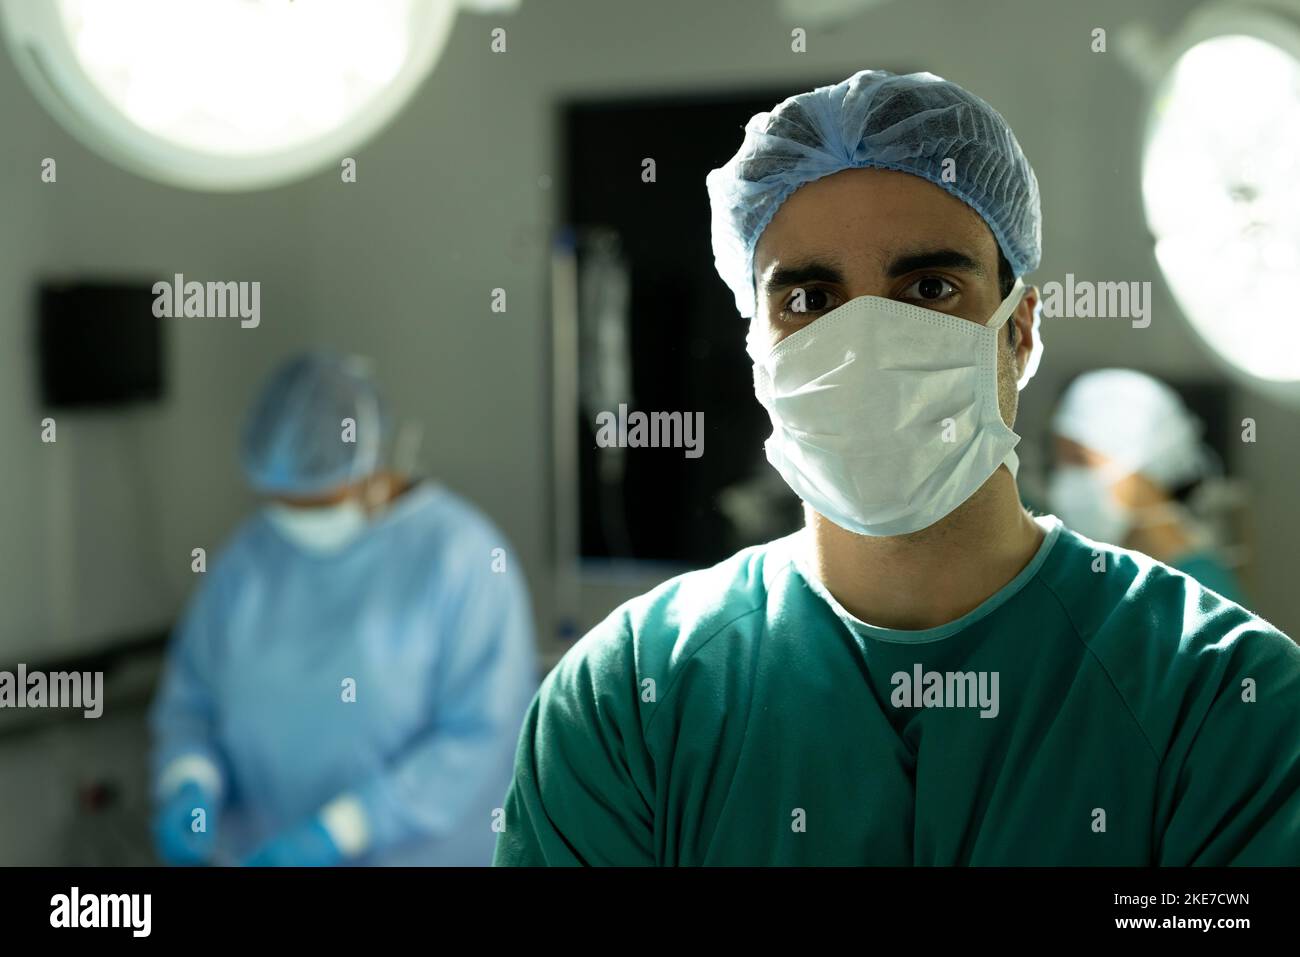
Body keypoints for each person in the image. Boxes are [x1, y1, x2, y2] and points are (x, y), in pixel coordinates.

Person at [494, 70, 1300, 866]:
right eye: (808, 301)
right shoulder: (630, 700)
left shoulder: (1224, 697)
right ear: (758, 352)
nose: (866, 340)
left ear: (1018, 330)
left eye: (930, 286)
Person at [151, 352, 538, 866]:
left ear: (370, 467)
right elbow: (190, 702)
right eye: (283, 503)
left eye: (317, 502)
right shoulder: (248, 561)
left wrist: (344, 830)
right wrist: (189, 781)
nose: (296, 522)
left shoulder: (462, 559)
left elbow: (482, 738)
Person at [1047, 368, 1247, 604]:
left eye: (1079, 461)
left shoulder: (1201, 597)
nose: (1065, 479)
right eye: (1060, 462)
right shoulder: (1118, 578)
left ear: (1142, 465)